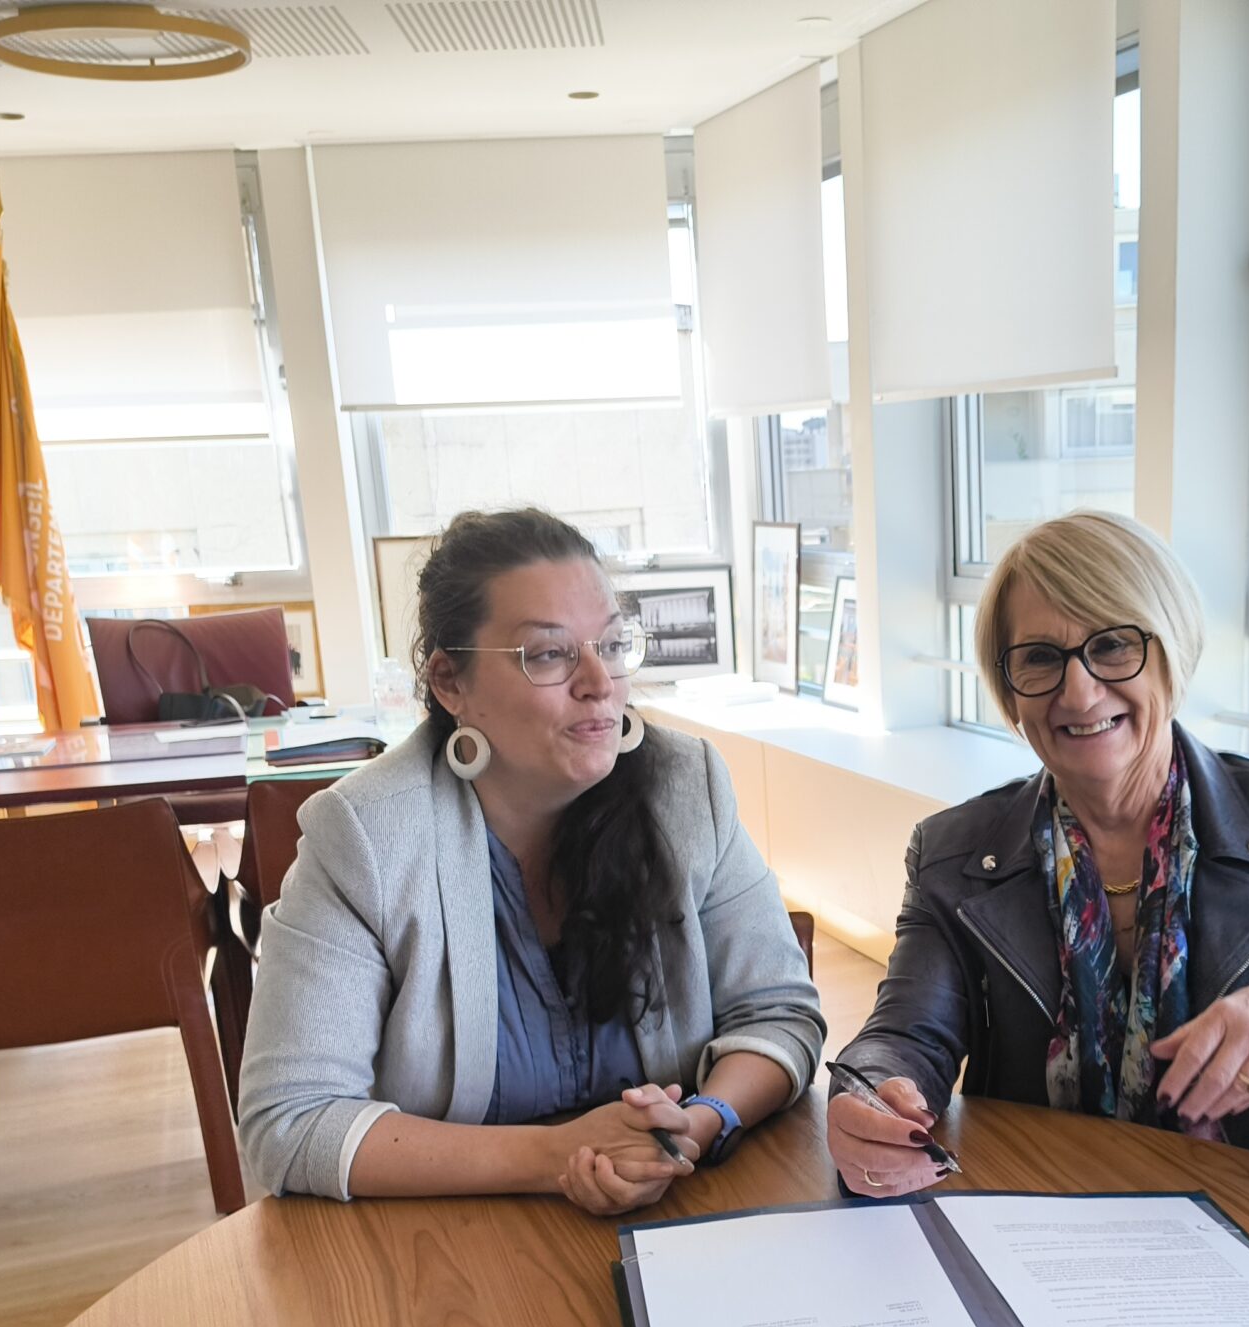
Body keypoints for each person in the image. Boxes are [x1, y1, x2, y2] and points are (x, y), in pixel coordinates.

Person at [827, 509, 1249, 1197]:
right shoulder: (954, 855)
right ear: (1009, 689)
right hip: (1045, 1218)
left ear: (1172, 651)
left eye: (1115, 645)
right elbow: (905, 1036)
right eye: (1040, 657)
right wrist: (868, 1092)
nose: (1079, 691)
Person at [238, 508, 824, 1214]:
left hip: (679, 1212)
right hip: (450, 1244)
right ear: (450, 683)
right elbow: (290, 1121)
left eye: (611, 644)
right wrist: (557, 1157)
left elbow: (780, 1013)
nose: (599, 681)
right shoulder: (366, 835)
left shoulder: (686, 787)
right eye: (548, 654)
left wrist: (695, 1126)